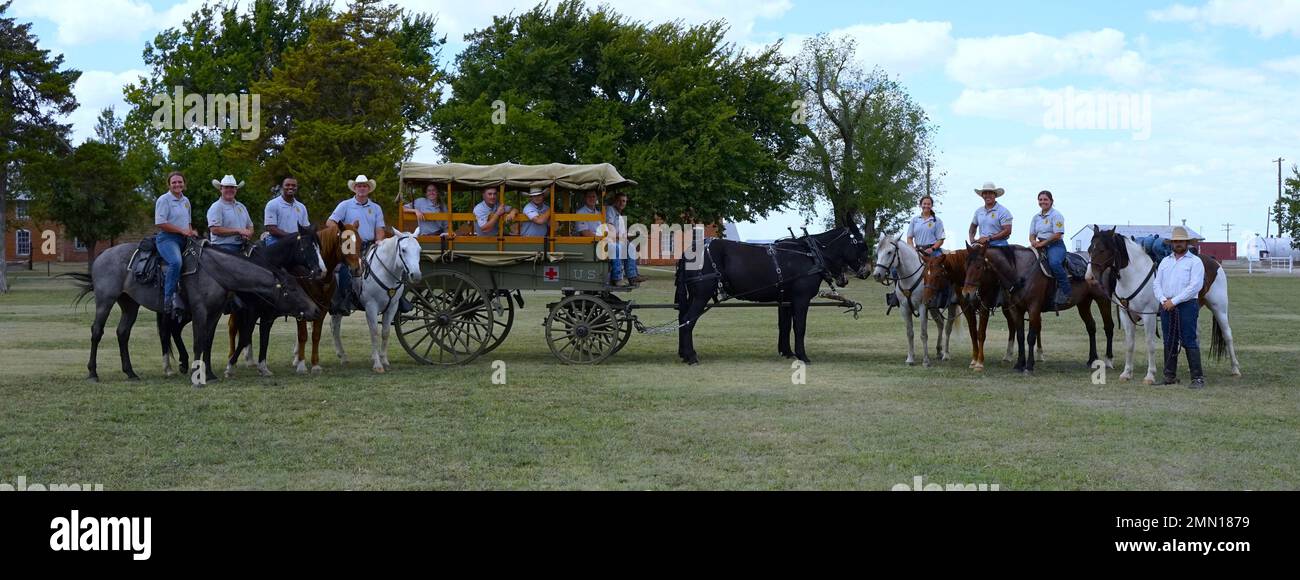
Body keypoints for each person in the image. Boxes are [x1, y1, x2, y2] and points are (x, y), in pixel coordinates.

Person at [1153, 226, 1207, 389]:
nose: (1178, 244)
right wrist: (1163, 300)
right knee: (1169, 341)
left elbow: (1195, 286)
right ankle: (1169, 376)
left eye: (1181, 241)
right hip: (1167, 305)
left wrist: (1174, 301)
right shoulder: (1165, 261)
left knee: (1189, 340)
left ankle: (1197, 378)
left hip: (1187, 305)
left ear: (1187, 243)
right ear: (1172, 243)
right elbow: (1156, 283)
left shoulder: (1195, 262)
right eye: (1175, 241)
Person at [326, 174, 387, 315]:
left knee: (387, 266)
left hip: (370, 244)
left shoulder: (376, 208)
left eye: (364, 186)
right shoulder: (345, 205)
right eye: (359, 186)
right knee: (346, 269)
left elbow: (380, 228)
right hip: (349, 243)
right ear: (354, 188)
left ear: (368, 189)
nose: (362, 188)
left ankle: (392, 299)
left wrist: (379, 240)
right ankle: (344, 301)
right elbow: (330, 222)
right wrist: (341, 232)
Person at [154, 171, 197, 318]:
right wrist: (182, 231)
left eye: (180, 182)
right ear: (169, 185)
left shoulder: (186, 201)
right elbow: (161, 223)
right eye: (174, 182)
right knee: (176, 262)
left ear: (184, 184)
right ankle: (169, 298)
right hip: (167, 238)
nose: (177, 184)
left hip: (184, 238)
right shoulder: (164, 200)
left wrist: (191, 232)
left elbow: (188, 222)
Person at [1028, 190, 1070, 308]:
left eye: (1045, 199)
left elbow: (1057, 234)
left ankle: (1065, 291)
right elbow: (1032, 234)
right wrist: (1033, 242)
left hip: (1055, 245)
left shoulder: (1056, 215)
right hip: (1039, 244)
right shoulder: (1036, 217)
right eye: (1040, 200)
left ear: (1051, 201)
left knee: (1055, 263)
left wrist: (1043, 244)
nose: (1043, 202)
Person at [207, 175, 254, 254]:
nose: (229, 190)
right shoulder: (216, 206)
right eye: (226, 187)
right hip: (223, 246)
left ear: (236, 189)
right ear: (221, 189)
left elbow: (250, 225)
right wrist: (239, 231)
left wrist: (249, 233)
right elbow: (214, 230)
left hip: (243, 245)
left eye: (232, 187)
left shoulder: (241, 206)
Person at [606, 191, 643, 286]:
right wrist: (621, 237)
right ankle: (617, 278)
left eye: (624, 201)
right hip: (610, 241)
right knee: (617, 247)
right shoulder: (610, 210)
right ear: (615, 201)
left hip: (618, 240)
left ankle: (632, 277)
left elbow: (623, 233)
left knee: (630, 246)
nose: (622, 203)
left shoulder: (620, 216)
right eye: (620, 201)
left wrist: (631, 236)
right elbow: (610, 229)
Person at [264, 176, 310, 245]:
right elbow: (271, 229)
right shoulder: (272, 204)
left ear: (297, 188)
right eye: (287, 185)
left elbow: (306, 227)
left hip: (297, 241)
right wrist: (292, 237)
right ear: (282, 187)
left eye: (294, 185)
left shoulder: (302, 207)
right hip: (277, 241)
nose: (291, 187)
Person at [968, 182, 1013, 247]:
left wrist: (989, 238)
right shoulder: (978, 211)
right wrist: (971, 239)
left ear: (995, 195)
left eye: (990, 193)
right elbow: (973, 227)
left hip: (999, 244)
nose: (987, 195)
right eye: (985, 193)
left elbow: (1007, 231)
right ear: (982, 195)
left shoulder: (1003, 211)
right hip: (982, 245)